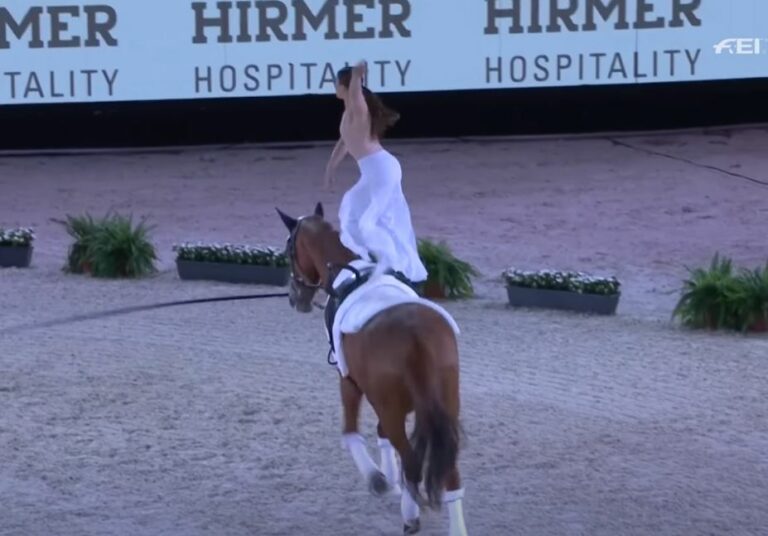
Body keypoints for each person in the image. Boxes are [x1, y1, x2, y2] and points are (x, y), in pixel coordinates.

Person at [324, 61, 428, 285]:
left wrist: (356, 75)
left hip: (382, 169)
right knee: (351, 209)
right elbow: (344, 142)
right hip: (373, 171)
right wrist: (331, 167)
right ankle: (376, 261)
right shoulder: (348, 115)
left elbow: (355, 93)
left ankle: (393, 269)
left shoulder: (358, 109)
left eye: (337, 84)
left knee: (371, 221)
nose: (334, 87)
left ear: (346, 87)